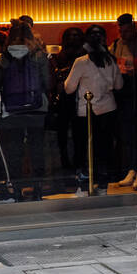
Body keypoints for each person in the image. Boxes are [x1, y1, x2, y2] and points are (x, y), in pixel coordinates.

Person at [0, 20, 51, 202]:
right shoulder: (39, 56)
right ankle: (37, 189)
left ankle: (16, 190)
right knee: (37, 150)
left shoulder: (3, 58)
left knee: (14, 150)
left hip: (12, 109)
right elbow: (47, 83)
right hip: (37, 108)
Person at [63, 24, 124, 194]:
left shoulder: (81, 62)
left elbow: (69, 88)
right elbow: (119, 85)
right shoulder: (110, 60)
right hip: (108, 109)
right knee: (104, 148)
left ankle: (84, 184)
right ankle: (103, 185)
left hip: (86, 111)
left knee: (84, 148)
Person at [110, 13, 137, 188]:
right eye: (121, 30)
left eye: (127, 30)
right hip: (125, 95)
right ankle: (132, 169)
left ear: (134, 28)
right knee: (128, 135)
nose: (123, 34)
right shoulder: (115, 45)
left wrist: (134, 67)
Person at [49, 26, 85, 178]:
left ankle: (78, 164)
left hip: (81, 99)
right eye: (70, 36)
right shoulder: (57, 58)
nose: (73, 38)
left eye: (76, 36)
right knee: (62, 136)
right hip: (64, 100)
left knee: (80, 135)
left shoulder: (85, 57)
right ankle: (65, 163)